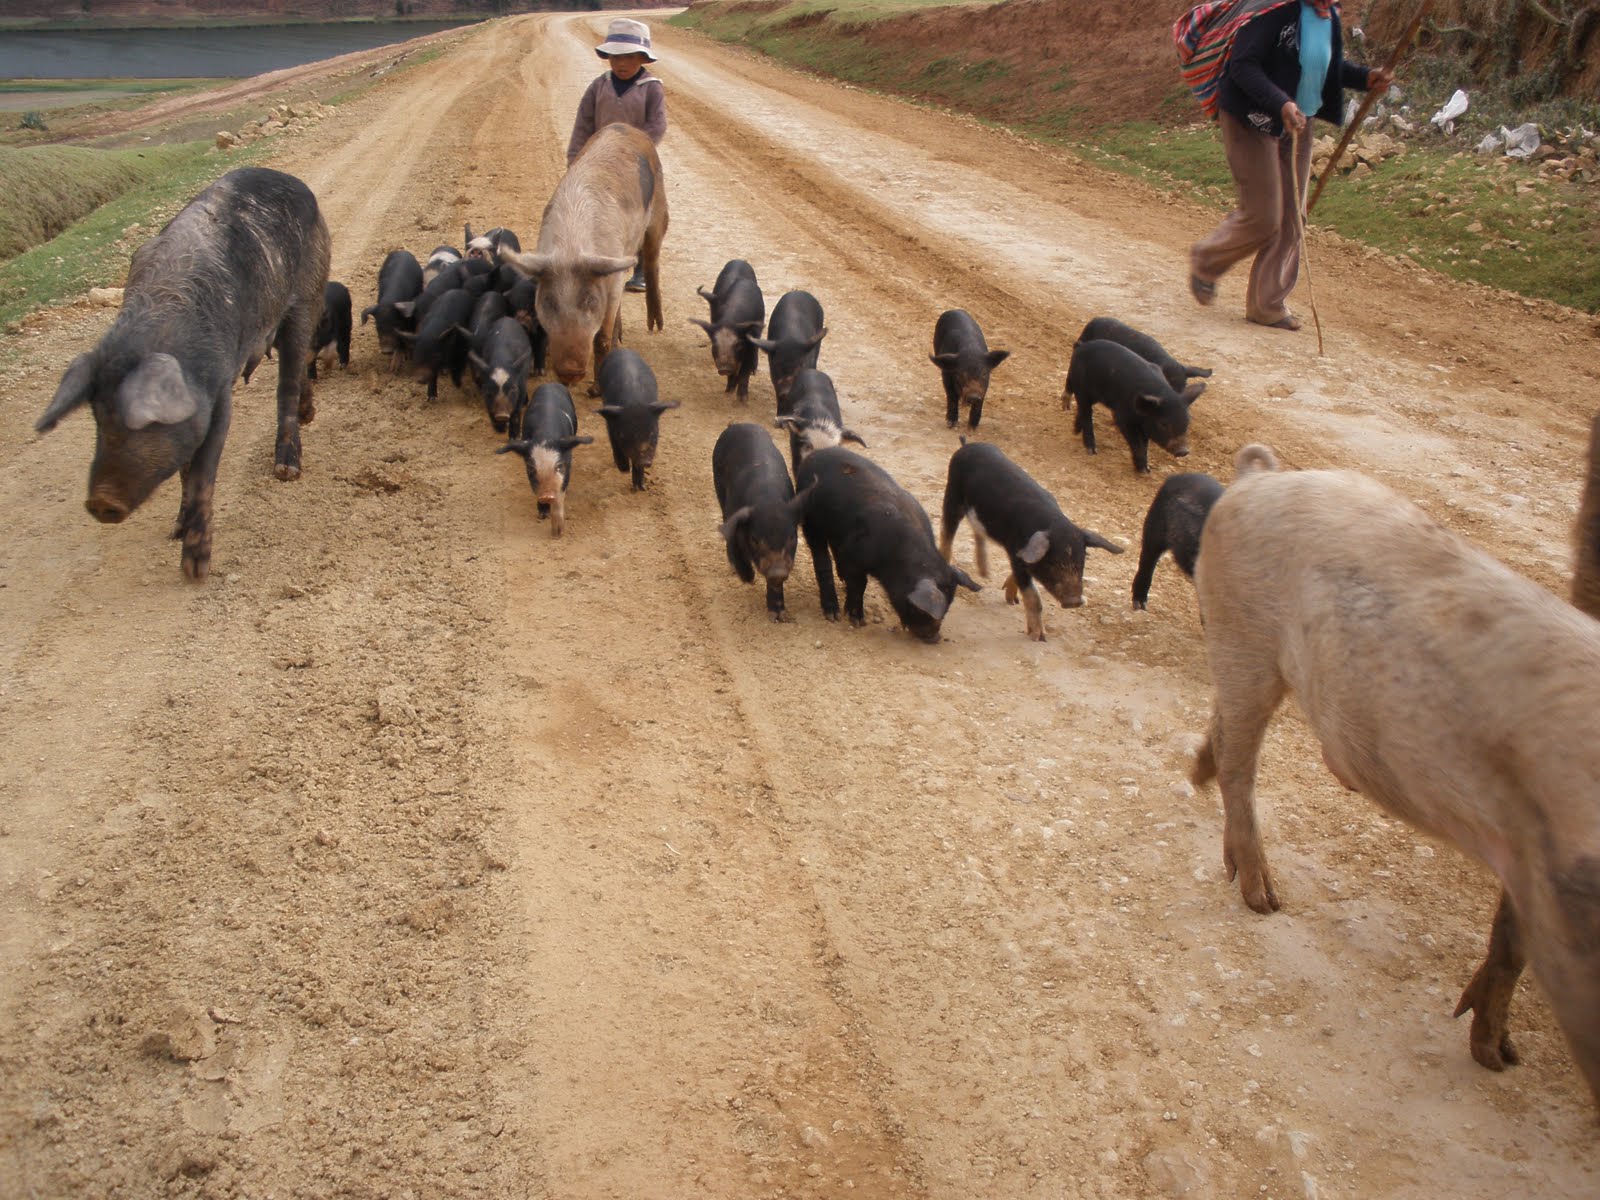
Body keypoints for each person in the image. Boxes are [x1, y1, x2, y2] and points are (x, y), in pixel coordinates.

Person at [1188, 0, 1392, 330]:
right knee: (1264, 217)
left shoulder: (1328, 13)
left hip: (1297, 123)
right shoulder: (1276, 10)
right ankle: (1206, 260)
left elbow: (1324, 66)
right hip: (1251, 118)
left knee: (1292, 219)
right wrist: (1280, 102)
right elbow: (1242, 64)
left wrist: (1366, 78)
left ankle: (1265, 305)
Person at [567, 17, 667, 294]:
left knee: (638, 217)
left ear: (642, 57)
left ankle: (639, 269)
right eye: (615, 57)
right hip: (599, 164)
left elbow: (657, 125)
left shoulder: (651, 87)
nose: (621, 64)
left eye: (629, 57)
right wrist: (575, 161)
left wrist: (636, 150)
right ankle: (597, 264)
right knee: (598, 215)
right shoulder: (599, 86)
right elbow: (583, 125)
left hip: (637, 165)